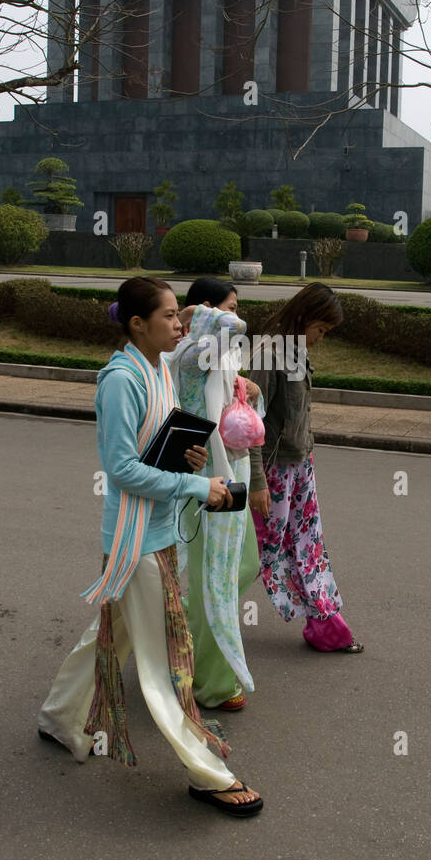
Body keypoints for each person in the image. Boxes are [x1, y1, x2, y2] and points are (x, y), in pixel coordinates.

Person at [37, 276, 263, 816]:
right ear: (136, 324)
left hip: (156, 530)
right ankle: (208, 773)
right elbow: (119, 468)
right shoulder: (120, 380)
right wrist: (196, 485)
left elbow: (150, 448)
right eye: (169, 316)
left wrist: (185, 458)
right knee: (166, 665)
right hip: (135, 537)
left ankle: (58, 717)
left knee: (110, 637)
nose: (180, 325)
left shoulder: (157, 367)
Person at [164, 276, 266, 712]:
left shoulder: (210, 354)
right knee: (216, 576)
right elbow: (236, 328)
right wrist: (196, 314)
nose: (238, 315)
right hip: (204, 477)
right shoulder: (188, 350)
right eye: (231, 305)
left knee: (242, 566)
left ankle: (179, 622)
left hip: (231, 471)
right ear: (209, 309)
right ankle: (212, 683)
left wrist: (244, 386)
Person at [247, 282, 363, 653]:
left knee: (308, 545)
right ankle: (194, 614)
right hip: (272, 473)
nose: (322, 339)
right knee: (259, 554)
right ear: (304, 317)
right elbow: (250, 422)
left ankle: (327, 626)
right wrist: (256, 482)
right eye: (321, 330)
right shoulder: (268, 353)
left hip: (300, 466)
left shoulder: (295, 351)